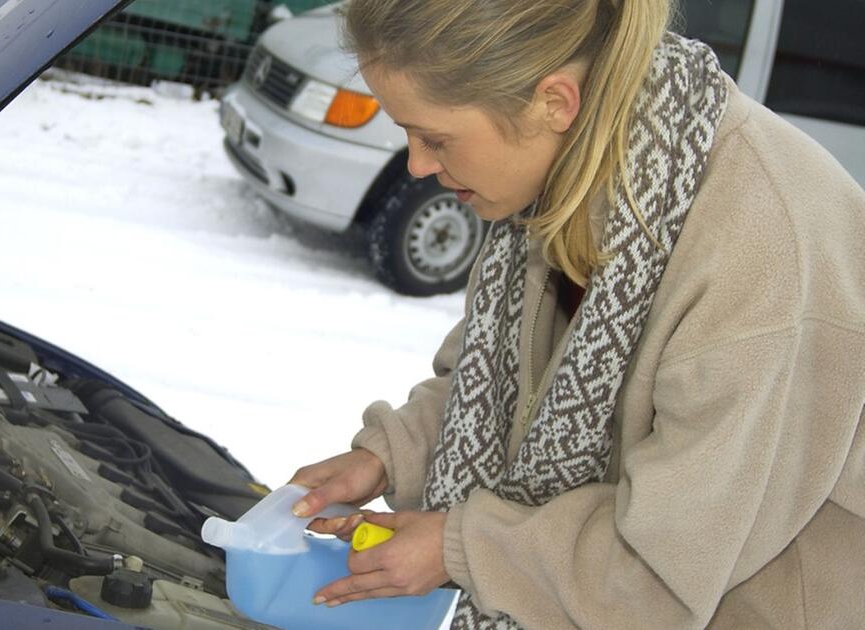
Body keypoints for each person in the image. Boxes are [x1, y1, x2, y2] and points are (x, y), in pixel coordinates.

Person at [286, 0, 865, 628]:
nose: (417, 165)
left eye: (435, 138)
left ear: (554, 102)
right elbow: (506, 388)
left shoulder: (759, 256)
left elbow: (658, 573)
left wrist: (466, 547)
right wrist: (389, 455)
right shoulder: (580, 169)